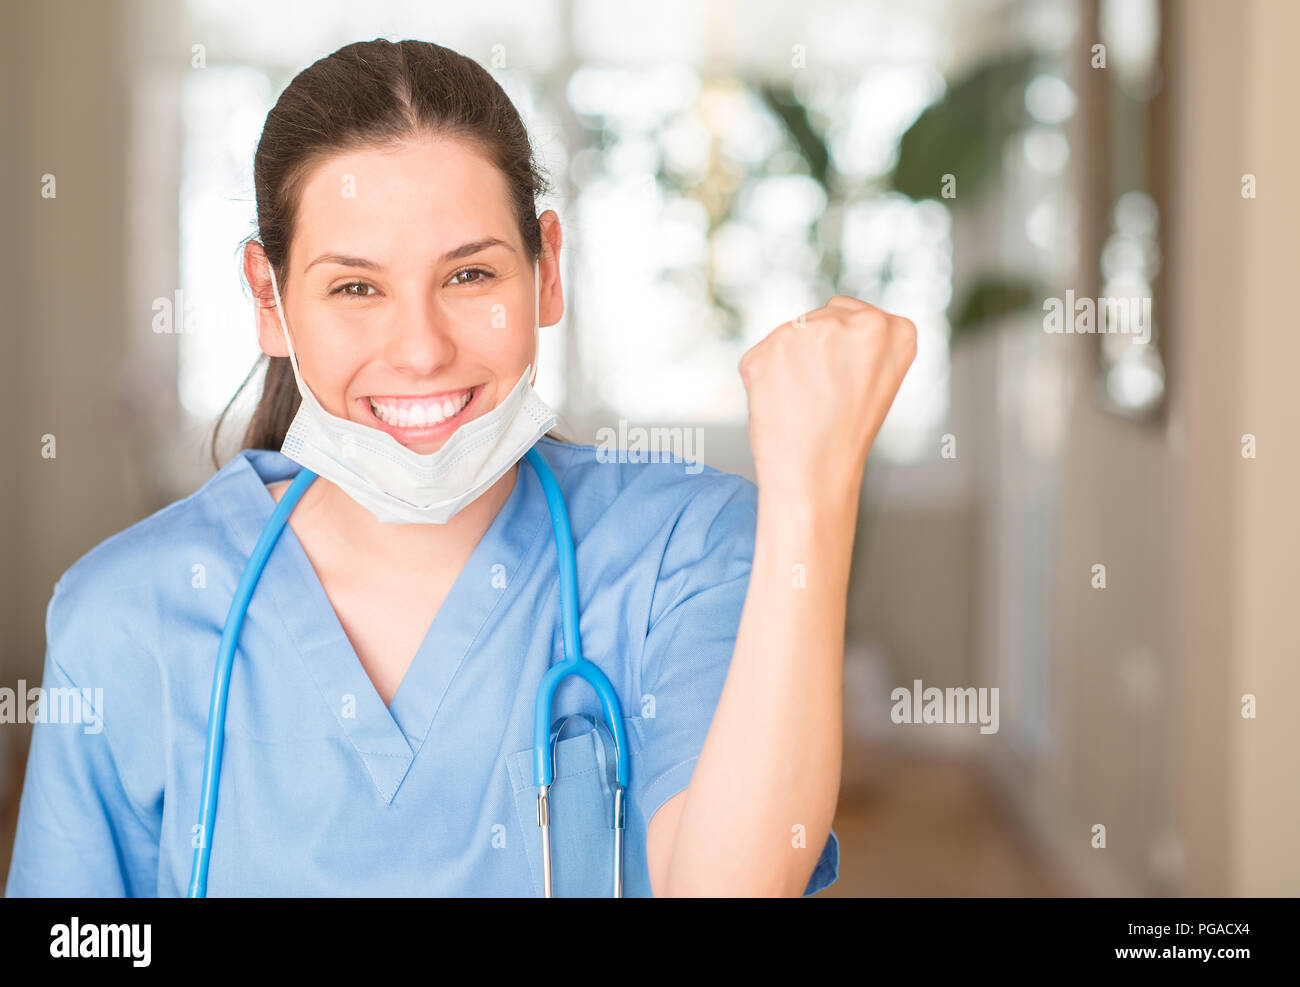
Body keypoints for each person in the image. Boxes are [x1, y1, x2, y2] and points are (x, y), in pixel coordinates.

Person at [5, 39, 915, 897]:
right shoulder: (127, 614)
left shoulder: (683, 550)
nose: (421, 350)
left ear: (546, 269)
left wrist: (813, 483)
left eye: (470, 276)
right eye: (355, 287)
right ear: (269, 299)